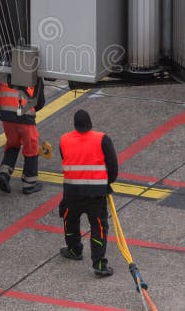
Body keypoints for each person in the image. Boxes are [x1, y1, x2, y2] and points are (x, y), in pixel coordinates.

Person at [58, 109, 118, 277]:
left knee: (70, 222)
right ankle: (99, 264)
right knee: (98, 227)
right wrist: (108, 183)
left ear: (75, 125)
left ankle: (74, 250)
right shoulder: (102, 139)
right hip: (96, 195)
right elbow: (112, 165)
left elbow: (66, 160)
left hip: (72, 193)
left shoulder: (64, 140)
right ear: (90, 124)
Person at [0, 77, 45, 194]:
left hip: (7, 117)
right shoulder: (35, 75)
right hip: (25, 116)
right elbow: (40, 103)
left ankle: (4, 173)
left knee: (12, 145)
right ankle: (29, 184)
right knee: (31, 147)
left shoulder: (2, 75)